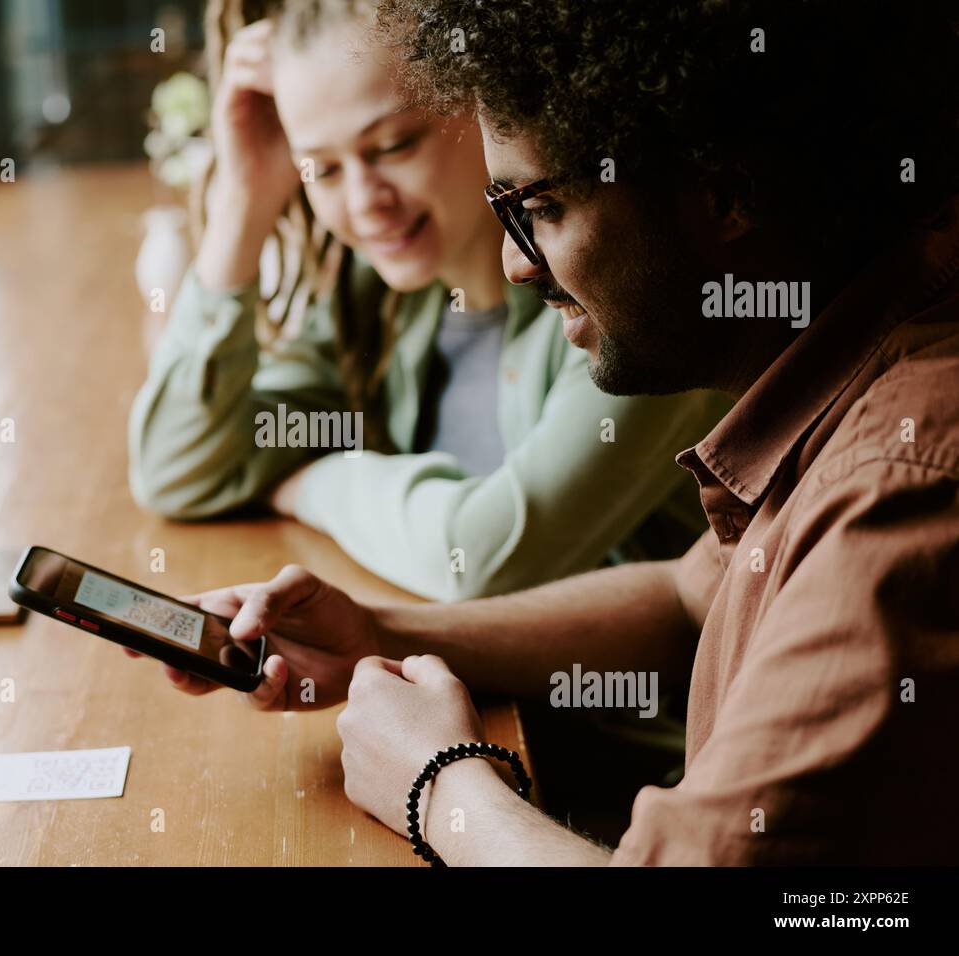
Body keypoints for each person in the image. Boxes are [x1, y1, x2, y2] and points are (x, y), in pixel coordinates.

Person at [134, 0, 959, 864]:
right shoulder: (854, 362)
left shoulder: (901, 486)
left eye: (545, 205)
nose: (516, 262)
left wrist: (441, 784)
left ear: (727, 193)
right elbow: (686, 602)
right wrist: (379, 634)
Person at [128, 0, 730, 601]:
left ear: (486, 101)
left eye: (394, 145)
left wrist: (308, 485)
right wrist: (242, 202)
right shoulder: (377, 299)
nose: (366, 201)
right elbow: (177, 471)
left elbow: (484, 559)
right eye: (324, 170)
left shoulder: (619, 301)